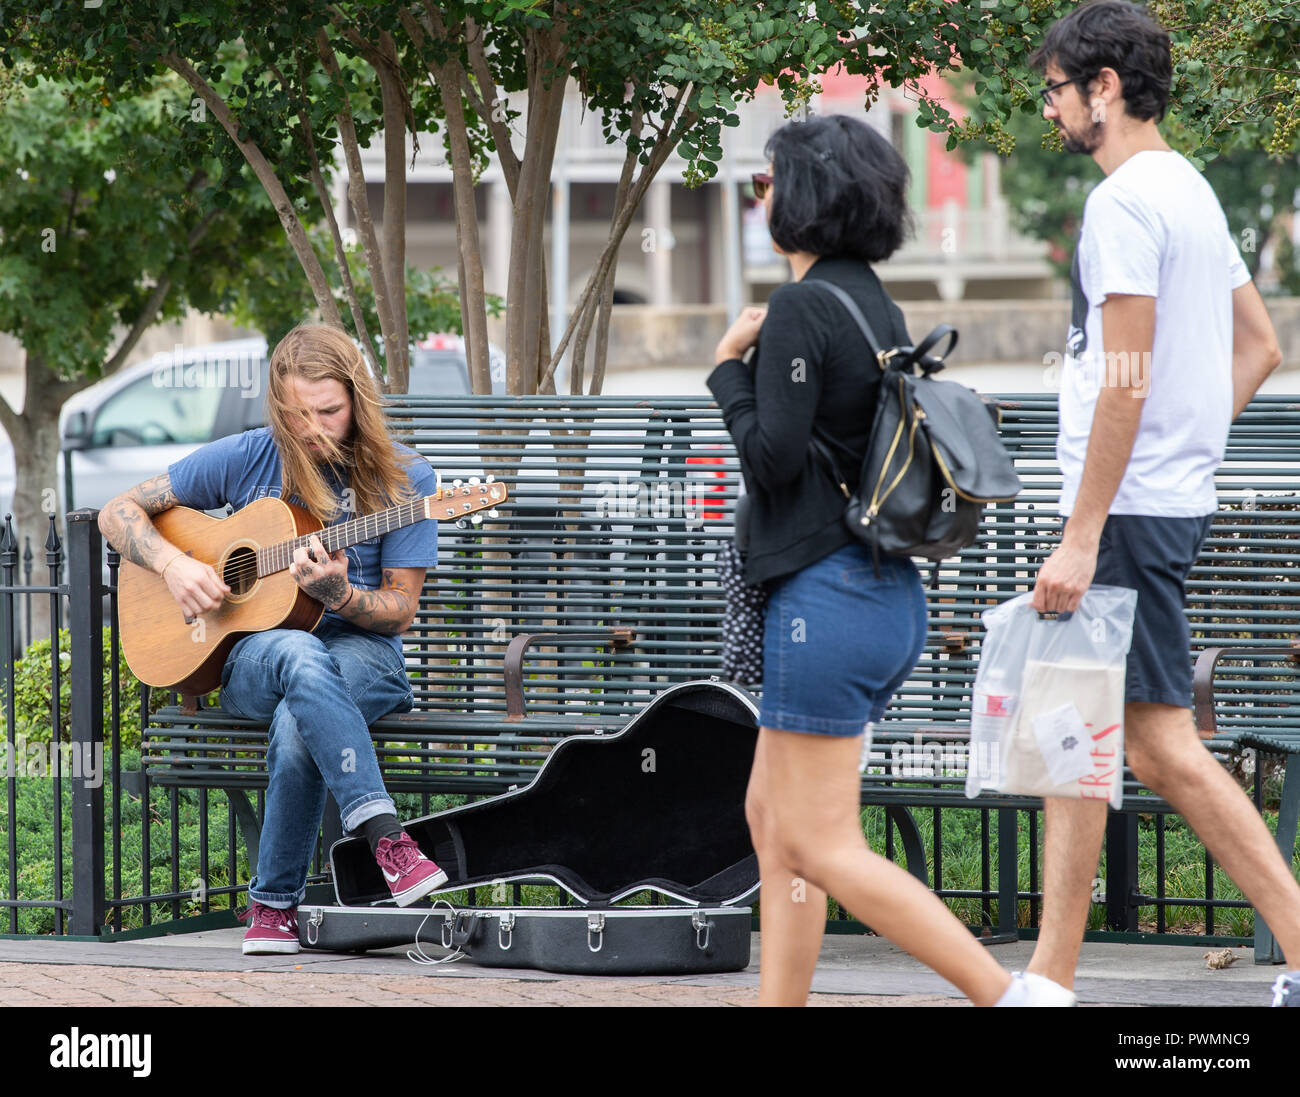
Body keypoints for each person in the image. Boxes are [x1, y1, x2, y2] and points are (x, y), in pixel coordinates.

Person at [707, 114, 1073, 1007]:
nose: (759, 200)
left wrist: (726, 367)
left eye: (764, 184)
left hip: (825, 602)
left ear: (798, 197)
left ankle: (1008, 995)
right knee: (773, 822)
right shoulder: (875, 302)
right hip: (879, 596)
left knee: (823, 841)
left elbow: (771, 460)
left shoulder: (798, 307)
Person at [1025, 0, 1299, 1007]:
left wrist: (1083, 532)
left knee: (1153, 741)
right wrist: (1191, 449)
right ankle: (1048, 976)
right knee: (1081, 727)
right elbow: (1259, 345)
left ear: (1103, 87)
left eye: (1055, 91)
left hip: (1125, 510)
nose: (1048, 112)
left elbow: (1125, 376)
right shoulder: (1189, 188)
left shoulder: (1123, 204)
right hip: (1155, 495)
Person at [99, 323, 448, 955]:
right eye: (297, 414)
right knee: (295, 651)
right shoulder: (247, 455)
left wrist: (339, 595)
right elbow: (116, 512)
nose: (313, 428)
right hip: (254, 656)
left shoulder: (407, 480)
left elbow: (400, 612)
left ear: (358, 401)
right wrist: (176, 566)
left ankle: (274, 907)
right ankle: (389, 842)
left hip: (365, 657)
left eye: (330, 412)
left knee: (300, 708)